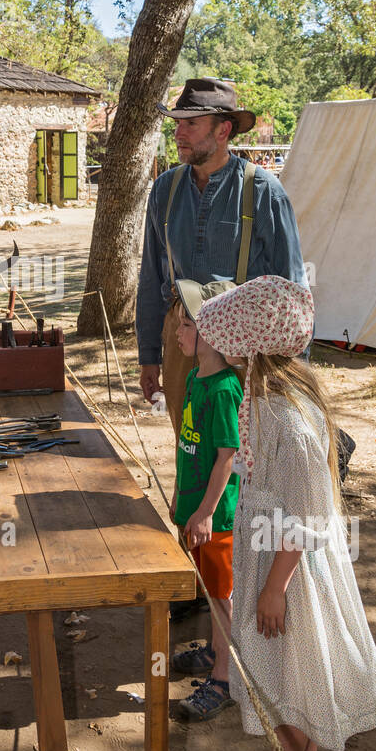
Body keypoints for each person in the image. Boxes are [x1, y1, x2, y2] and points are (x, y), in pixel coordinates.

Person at [191, 275, 376, 751]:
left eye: (224, 332)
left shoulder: (286, 418)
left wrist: (274, 586)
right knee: (286, 675)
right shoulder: (262, 395)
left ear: (250, 342)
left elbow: (304, 517)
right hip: (272, 556)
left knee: (281, 686)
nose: (213, 340)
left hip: (289, 571)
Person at [137, 79, 306, 443]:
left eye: (191, 123)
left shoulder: (264, 191)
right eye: (177, 122)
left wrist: (294, 371)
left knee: (244, 453)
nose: (178, 132)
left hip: (244, 348)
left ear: (223, 130)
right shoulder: (164, 189)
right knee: (192, 446)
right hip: (182, 340)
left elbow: (292, 290)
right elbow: (151, 278)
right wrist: (148, 355)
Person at [168, 279, 242, 722]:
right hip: (195, 511)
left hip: (218, 519)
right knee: (211, 592)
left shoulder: (224, 389)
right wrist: (183, 500)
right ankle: (217, 650)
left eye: (185, 325)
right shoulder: (197, 377)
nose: (177, 334)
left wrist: (206, 511)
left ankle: (224, 679)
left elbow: (227, 457)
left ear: (212, 332)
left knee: (221, 598)